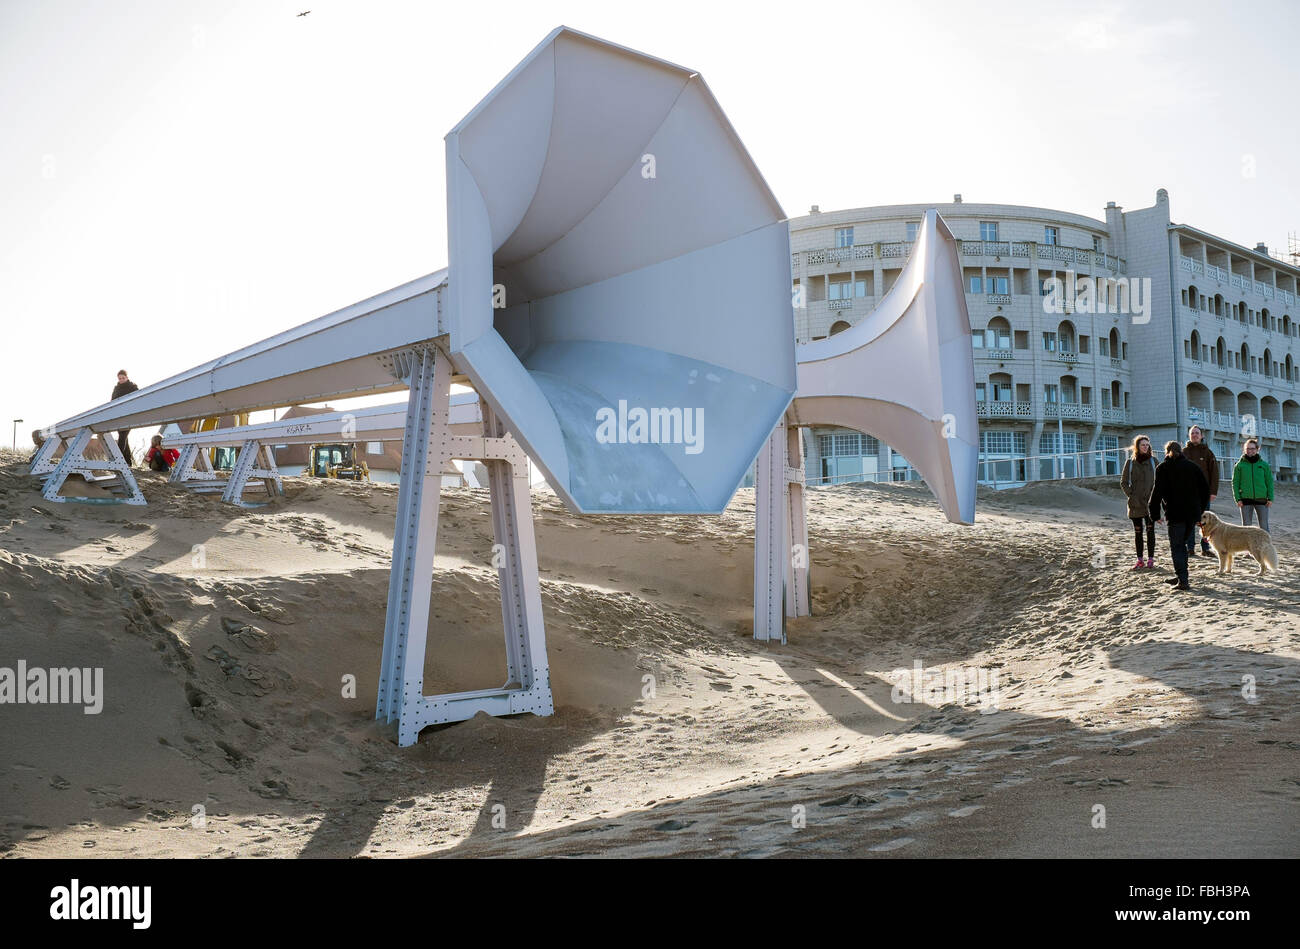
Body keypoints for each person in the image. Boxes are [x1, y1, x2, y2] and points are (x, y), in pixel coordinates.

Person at [1149, 440, 1210, 592]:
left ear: (1166, 452)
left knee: (1177, 547)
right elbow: (1205, 491)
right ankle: (1181, 576)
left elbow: (1157, 492)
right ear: (1181, 451)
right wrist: (1200, 510)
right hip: (1192, 514)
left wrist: (1154, 513)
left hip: (1175, 514)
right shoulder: (1192, 466)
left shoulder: (1163, 468)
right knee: (1182, 545)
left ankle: (1183, 580)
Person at [1120, 434, 1158, 569]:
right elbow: (1123, 482)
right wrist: (1131, 495)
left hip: (1151, 503)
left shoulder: (1154, 462)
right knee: (1138, 532)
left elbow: (1160, 481)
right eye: (1143, 445)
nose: (1145, 447)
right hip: (1135, 504)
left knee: (1150, 531)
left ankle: (1151, 559)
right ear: (1137, 446)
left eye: (1147, 445)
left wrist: (1156, 497)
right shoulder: (1130, 463)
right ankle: (1140, 559)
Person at [1182, 425, 1219, 558]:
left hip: (1204, 494)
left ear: (1202, 435)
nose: (1195, 435)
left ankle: (1205, 548)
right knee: (1190, 522)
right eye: (1192, 433)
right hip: (1188, 494)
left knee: (1205, 522)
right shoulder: (1184, 452)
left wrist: (1213, 491)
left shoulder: (1208, 452)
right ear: (1189, 436)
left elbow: (1214, 473)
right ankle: (1190, 548)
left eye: (1197, 433)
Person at [1232, 437, 1274, 532]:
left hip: (1262, 499)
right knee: (1246, 528)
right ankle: (1247, 547)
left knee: (1264, 527)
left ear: (1257, 449)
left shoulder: (1264, 465)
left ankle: (1266, 547)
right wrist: (1237, 499)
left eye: (1252, 448)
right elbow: (1235, 483)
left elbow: (1269, 482)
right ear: (1244, 450)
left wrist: (1270, 498)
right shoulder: (1239, 465)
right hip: (1245, 500)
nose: (1250, 451)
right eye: (1248, 448)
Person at [111, 370, 139, 466]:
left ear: (127, 377)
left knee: (122, 437)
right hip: (119, 416)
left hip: (129, 415)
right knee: (124, 437)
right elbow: (112, 402)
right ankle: (128, 461)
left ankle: (118, 460)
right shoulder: (116, 389)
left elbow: (138, 399)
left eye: (123, 378)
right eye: (119, 378)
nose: (121, 380)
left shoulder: (133, 387)